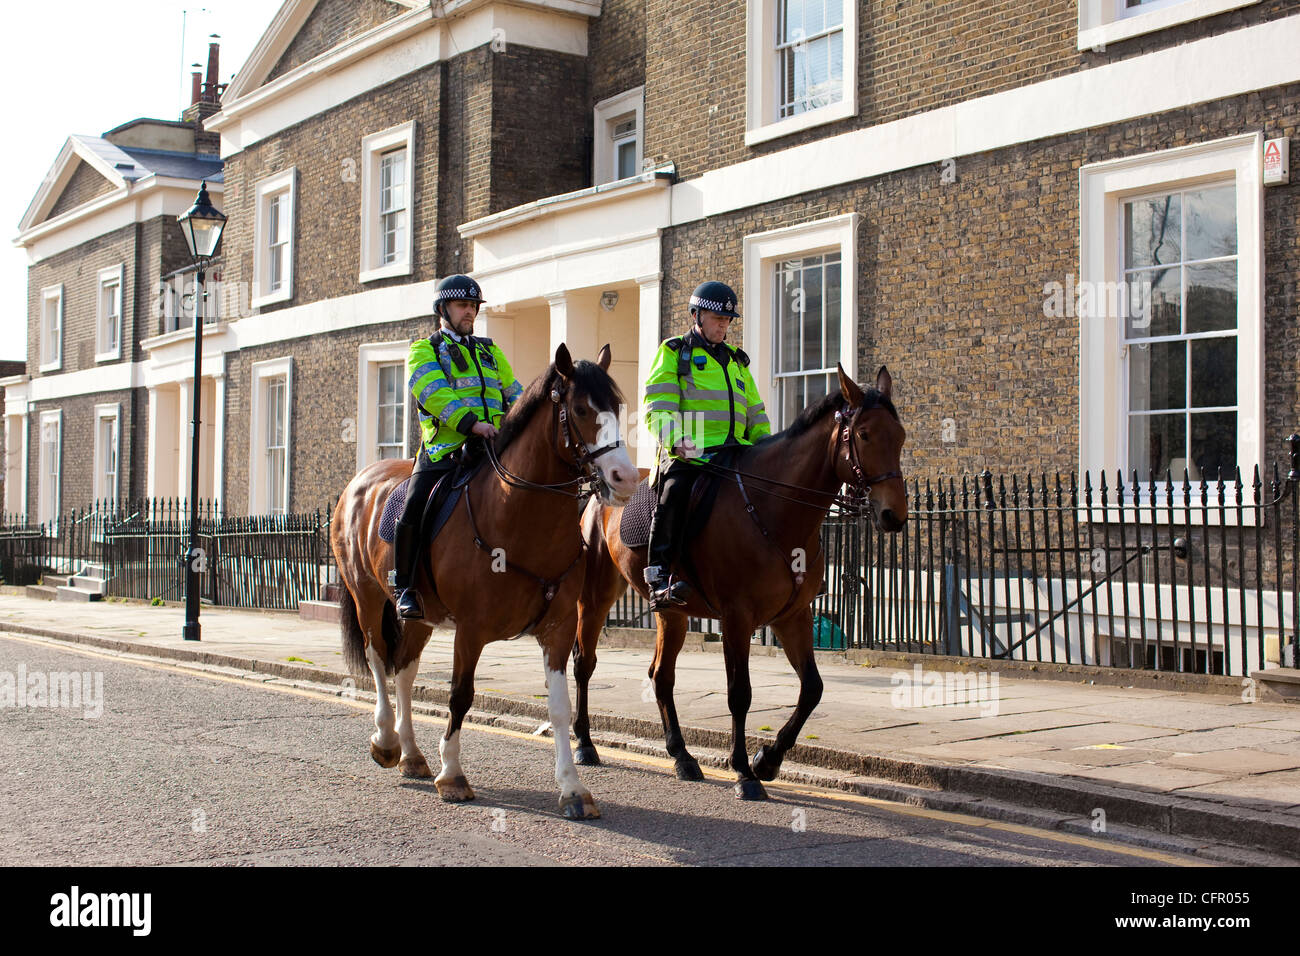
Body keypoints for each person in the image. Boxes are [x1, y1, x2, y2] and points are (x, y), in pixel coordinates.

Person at [392, 274, 523, 620]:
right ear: (442, 309)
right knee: (414, 507)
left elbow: (514, 392)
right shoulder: (425, 349)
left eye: (473, 307)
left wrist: (527, 418)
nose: (469, 312)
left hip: (493, 449)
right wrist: (471, 424)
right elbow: (434, 393)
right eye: (462, 306)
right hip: (444, 453)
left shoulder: (489, 350)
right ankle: (404, 585)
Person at [642, 280, 771, 609]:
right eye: (717, 318)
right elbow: (659, 406)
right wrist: (675, 438)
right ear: (696, 315)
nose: (723, 325)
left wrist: (768, 449)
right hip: (692, 454)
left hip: (737, 451)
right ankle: (658, 576)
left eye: (727, 320)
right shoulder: (674, 352)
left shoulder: (736, 362)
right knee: (673, 494)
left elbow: (755, 413)